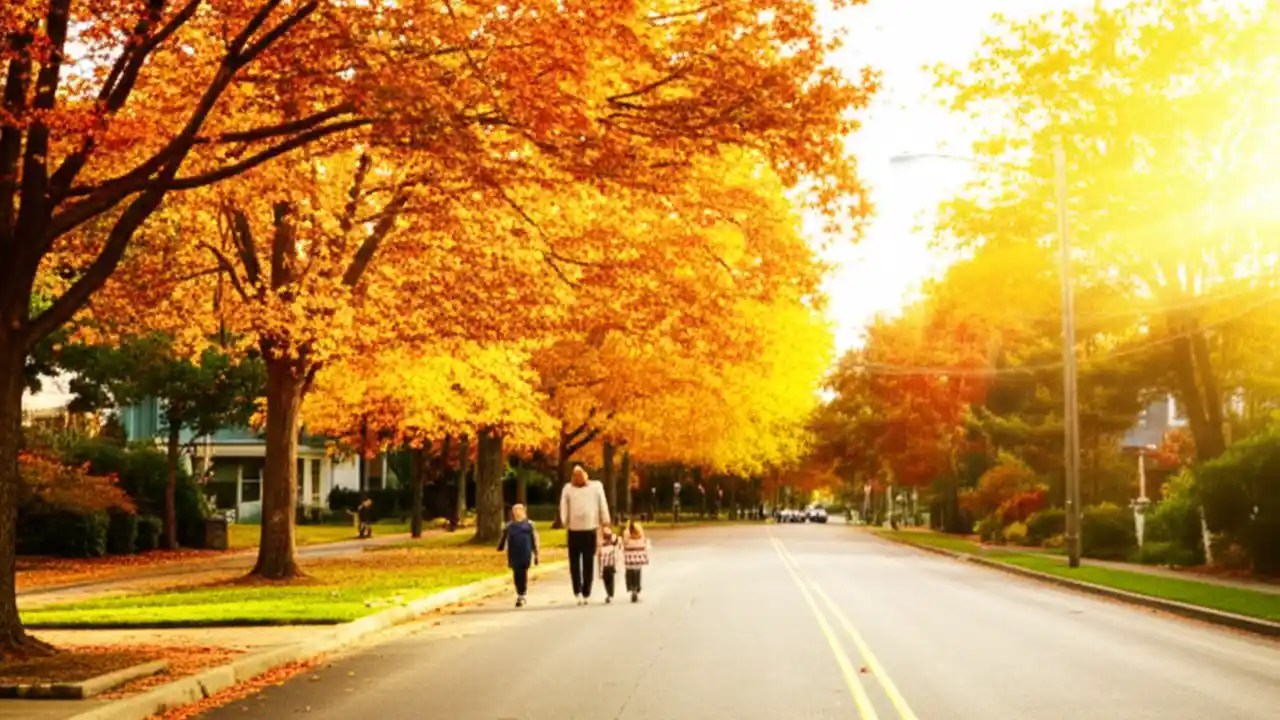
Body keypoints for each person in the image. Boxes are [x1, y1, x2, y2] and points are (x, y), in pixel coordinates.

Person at [559, 464, 611, 605]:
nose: (578, 479)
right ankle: (577, 591)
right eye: (575, 476)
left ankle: (586, 590)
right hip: (574, 530)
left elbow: (602, 503)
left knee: (588, 561)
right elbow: (563, 504)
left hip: (590, 528)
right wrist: (564, 519)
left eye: (580, 475)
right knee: (574, 563)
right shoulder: (568, 489)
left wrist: (605, 520)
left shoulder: (596, 487)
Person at [497, 504, 540, 607]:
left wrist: (536, 554)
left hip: (525, 552)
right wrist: (501, 547)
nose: (517, 512)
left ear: (523, 511)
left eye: (519, 509)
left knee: (523, 572)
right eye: (515, 510)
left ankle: (523, 593)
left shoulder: (529, 525)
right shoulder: (509, 526)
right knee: (516, 574)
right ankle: (519, 594)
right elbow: (504, 539)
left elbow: (534, 540)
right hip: (513, 553)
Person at [623, 520, 650, 603]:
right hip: (638, 556)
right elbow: (644, 542)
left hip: (629, 556)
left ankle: (631, 587)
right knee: (637, 571)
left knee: (629, 572)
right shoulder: (640, 531)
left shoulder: (626, 532)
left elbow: (624, 542)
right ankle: (637, 587)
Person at [597, 526, 623, 604]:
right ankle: (609, 594)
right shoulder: (605, 544)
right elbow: (599, 556)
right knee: (608, 581)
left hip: (608, 565)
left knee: (608, 581)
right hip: (607, 565)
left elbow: (618, 547)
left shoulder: (608, 543)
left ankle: (609, 594)